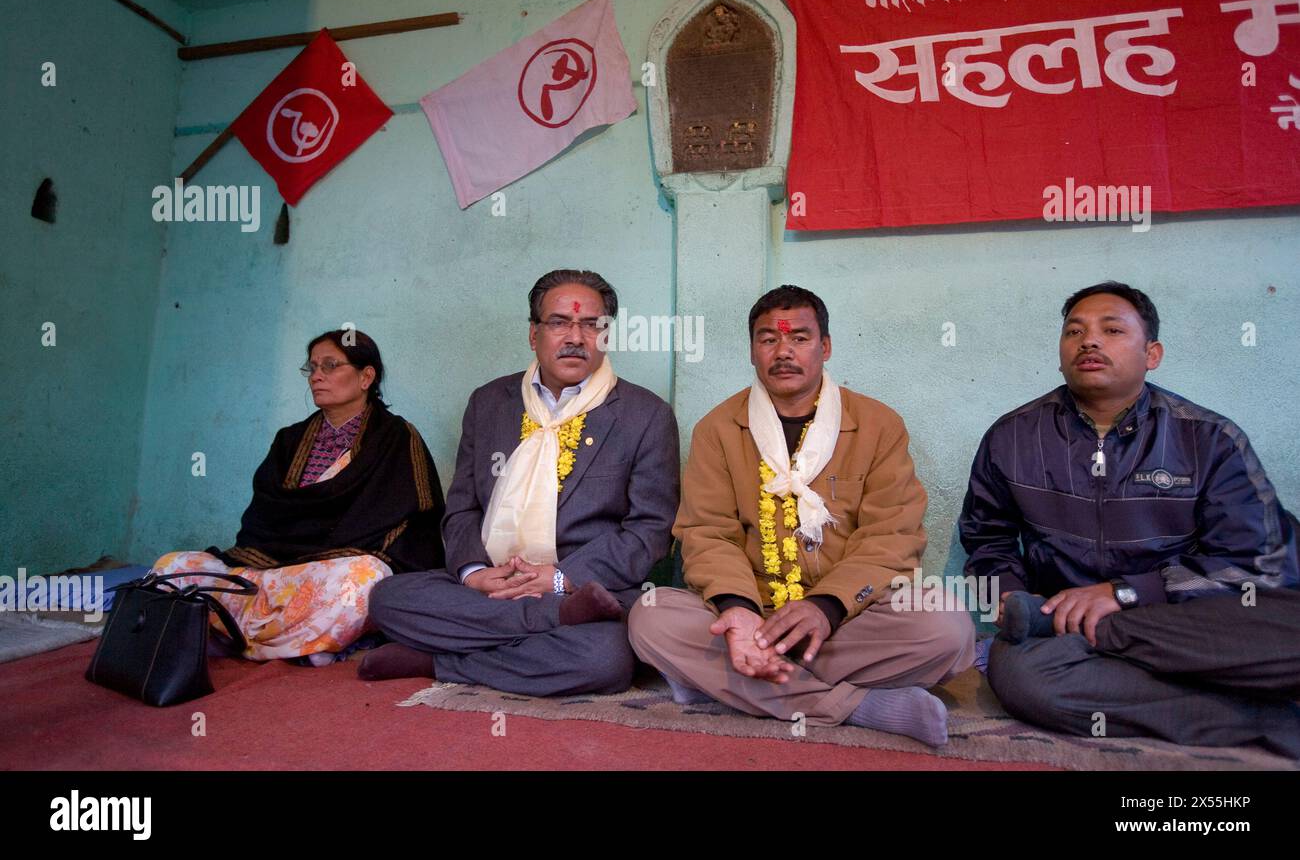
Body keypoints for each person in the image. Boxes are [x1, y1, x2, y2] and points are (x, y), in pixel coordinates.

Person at [960, 281, 1300, 756]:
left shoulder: (1209, 439)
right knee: (1022, 675)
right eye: (1074, 331)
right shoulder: (1013, 437)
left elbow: (1259, 567)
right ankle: (1266, 717)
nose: (1089, 341)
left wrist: (1126, 595)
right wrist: (1009, 590)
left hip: (1189, 623)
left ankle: (1110, 637)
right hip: (1068, 632)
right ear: (1061, 354)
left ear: (1152, 353)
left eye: (1112, 329)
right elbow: (987, 539)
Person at [628, 286, 974, 747]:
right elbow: (707, 534)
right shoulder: (718, 429)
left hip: (849, 618)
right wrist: (740, 613)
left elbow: (892, 536)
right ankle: (858, 706)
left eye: (800, 339)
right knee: (650, 617)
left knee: (946, 627)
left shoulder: (877, 424)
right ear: (752, 350)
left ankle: (730, 682)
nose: (783, 352)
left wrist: (825, 607)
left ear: (825, 347)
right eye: (768, 339)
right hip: (751, 613)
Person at [360, 269, 680, 695]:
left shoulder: (645, 415)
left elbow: (649, 532)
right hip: (494, 582)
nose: (575, 337)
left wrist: (561, 579)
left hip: (582, 586)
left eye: (591, 324)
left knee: (605, 658)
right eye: (559, 322)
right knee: (388, 598)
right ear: (534, 334)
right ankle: (549, 625)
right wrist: (474, 573)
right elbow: (463, 508)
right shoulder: (490, 403)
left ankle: (438, 660)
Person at [153, 328, 445, 666]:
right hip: (273, 570)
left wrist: (328, 558)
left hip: (333, 572)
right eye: (312, 367)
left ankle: (238, 637)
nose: (317, 376)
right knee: (172, 567)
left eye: (331, 365)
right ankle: (294, 644)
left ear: (366, 376)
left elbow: (415, 521)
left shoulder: (395, 437)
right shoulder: (289, 440)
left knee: (365, 579)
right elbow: (263, 517)